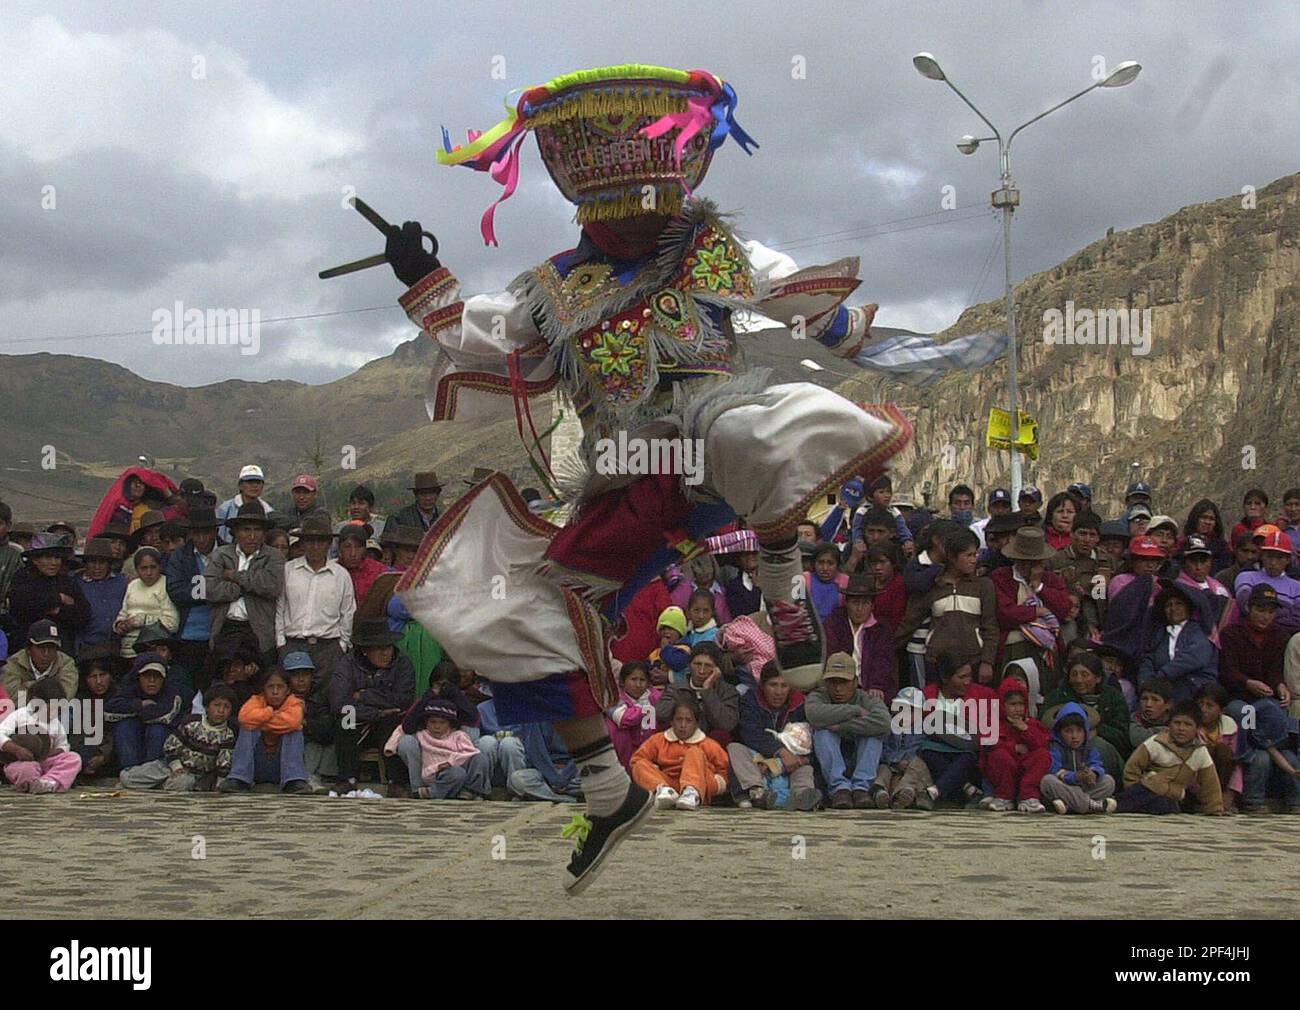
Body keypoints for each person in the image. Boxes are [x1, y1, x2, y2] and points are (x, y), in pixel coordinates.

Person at [392, 63, 922, 892]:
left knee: (747, 423)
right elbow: (480, 334)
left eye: (652, 201)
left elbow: (796, 298)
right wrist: (419, 279)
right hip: (626, 480)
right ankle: (606, 787)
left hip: (709, 449)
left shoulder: (713, 248)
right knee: (506, 608)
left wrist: (887, 344)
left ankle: (781, 583)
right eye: (622, 207)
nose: (643, 218)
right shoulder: (557, 288)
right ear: (589, 204)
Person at [896, 527, 998, 685]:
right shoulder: (933, 584)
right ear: (952, 556)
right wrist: (889, 646)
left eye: (975, 554)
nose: (974, 560)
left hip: (973, 662)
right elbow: (912, 619)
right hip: (937, 663)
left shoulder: (983, 586)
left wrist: (987, 662)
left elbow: (990, 626)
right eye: (968, 555)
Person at [328, 619, 415, 795]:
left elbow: (402, 700)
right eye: (379, 648)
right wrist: (375, 713)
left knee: (394, 721)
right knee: (346, 717)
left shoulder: (402, 663)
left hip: (389, 721)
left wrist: (364, 695)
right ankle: (347, 778)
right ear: (365, 650)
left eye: (388, 647)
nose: (385, 653)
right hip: (361, 720)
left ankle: (397, 781)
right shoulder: (347, 664)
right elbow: (339, 702)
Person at [276, 515, 355, 689]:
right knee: (291, 696)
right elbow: (279, 608)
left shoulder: (341, 575)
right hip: (293, 644)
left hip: (328, 647)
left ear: (328, 544)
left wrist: (341, 645)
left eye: (321, 541)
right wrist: (281, 643)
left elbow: (347, 613)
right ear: (302, 543)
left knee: (324, 698)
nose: (315, 546)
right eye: (310, 541)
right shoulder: (288, 570)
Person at [990, 527, 1072, 693]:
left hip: (1045, 647)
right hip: (1013, 646)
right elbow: (1004, 613)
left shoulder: (1052, 580)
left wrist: (1039, 586)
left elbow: (1064, 609)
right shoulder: (1001, 577)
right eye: (1025, 562)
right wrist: (1036, 612)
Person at [806, 651, 891, 808]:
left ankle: (861, 788)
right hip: (831, 763)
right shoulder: (819, 695)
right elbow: (814, 714)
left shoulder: (866, 698)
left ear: (855, 681)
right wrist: (855, 711)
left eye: (844, 682)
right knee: (823, 732)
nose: (838, 688)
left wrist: (843, 726)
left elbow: (884, 723)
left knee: (873, 734)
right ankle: (840, 789)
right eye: (833, 682)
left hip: (860, 760)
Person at [205, 502, 285, 668]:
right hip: (225, 629)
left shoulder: (273, 556)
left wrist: (234, 576)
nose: (252, 536)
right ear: (235, 532)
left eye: (257, 530)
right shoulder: (220, 555)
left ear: (264, 533)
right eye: (246, 530)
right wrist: (248, 586)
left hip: (258, 631)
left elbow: (272, 586)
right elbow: (209, 589)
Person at [727, 662, 815, 810]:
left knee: (805, 768)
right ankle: (758, 793)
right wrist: (780, 752)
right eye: (773, 685)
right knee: (735, 748)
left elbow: (805, 738)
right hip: (760, 759)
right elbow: (750, 734)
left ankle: (803, 796)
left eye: (784, 686)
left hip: (792, 761)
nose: (778, 692)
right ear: (762, 685)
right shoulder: (750, 701)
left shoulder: (799, 704)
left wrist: (796, 759)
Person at [120, 683, 237, 791]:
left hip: (193, 775)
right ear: (207, 707)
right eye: (216, 705)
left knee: (183, 784)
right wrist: (176, 767)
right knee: (129, 779)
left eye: (226, 707)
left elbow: (223, 763)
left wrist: (219, 784)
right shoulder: (192, 722)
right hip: (170, 764)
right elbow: (171, 745)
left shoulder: (227, 735)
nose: (221, 711)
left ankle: (161, 785)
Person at [1117, 700, 1224, 814]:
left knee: (1167, 805)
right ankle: (1114, 804)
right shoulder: (1155, 742)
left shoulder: (1200, 752)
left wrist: (1215, 809)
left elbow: (1210, 785)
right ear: (1169, 724)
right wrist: (1134, 788)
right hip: (1144, 790)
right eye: (1177, 723)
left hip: (1172, 797)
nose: (1181, 728)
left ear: (1197, 728)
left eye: (1187, 724)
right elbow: (1132, 769)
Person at [630, 695, 730, 810]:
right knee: (639, 765)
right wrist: (654, 771)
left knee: (694, 752)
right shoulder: (658, 740)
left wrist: (714, 785)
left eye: (688, 721)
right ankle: (665, 792)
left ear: (696, 724)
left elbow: (725, 770)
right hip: (669, 783)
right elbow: (637, 759)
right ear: (672, 722)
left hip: (699, 784)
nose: (683, 725)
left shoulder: (707, 744)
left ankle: (691, 794)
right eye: (679, 720)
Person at [919, 654, 994, 806]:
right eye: (961, 677)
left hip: (971, 755)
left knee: (967, 757)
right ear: (945, 678)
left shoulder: (984, 696)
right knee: (927, 750)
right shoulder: (927, 696)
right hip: (938, 754)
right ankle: (966, 789)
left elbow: (990, 731)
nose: (967, 682)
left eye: (969, 676)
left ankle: (934, 792)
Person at [219, 668, 310, 793]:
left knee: (295, 730)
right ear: (263, 690)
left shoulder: (294, 703)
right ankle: (239, 779)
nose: (275, 691)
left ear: (288, 690)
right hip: (256, 764)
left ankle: (294, 781)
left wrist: (261, 720)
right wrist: (269, 712)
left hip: (282, 766)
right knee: (248, 728)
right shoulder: (255, 700)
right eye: (270, 687)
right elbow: (244, 718)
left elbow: (292, 722)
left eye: (280, 687)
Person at [1043, 650, 1131, 778]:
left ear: (1098, 678)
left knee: (1097, 745)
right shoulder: (1057, 697)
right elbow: (1045, 727)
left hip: (1104, 755)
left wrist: (1098, 730)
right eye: (1074, 674)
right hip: (1064, 753)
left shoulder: (1113, 697)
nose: (1078, 680)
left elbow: (1123, 737)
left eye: (1085, 675)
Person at [386, 696, 489, 799]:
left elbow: (470, 753)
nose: (437, 726)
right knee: (456, 773)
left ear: (449, 724)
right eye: (433, 722)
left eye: (442, 723)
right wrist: (390, 747)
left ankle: (468, 791)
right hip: (435, 772)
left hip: (456, 766)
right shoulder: (422, 735)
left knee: (480, 759)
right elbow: (401, 730)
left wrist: (451, 762)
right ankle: (430, 793)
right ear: (426, 722)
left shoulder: (458, 736)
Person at [165, 505, 219, 691]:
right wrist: (213, 589)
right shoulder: (181, 557)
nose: (201, 539)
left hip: (219, 633)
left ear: (215, 531)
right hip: (188, 635)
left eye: (206, 533)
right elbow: (176, 591)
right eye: (197, 534)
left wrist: (196, 588)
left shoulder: (229, 554)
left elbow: (235, 589)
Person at [8, 532, 90, 653]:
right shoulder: (22, 577)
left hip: (62, 647)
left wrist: (57, 610)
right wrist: (58, 598)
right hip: (25, 645)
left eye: (57, 558)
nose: (54, 563)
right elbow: (20, 605)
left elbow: (84, 614)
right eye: (48, 558)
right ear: (35, 559)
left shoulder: (66, 581)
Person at [1137, 582, 1218, 702]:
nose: (1173, 609)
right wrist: (1146, 682)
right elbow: (1148, 658)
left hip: (1195, 686)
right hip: (1163, 687)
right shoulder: (1160, 634)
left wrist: (1162, 675)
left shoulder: (1198, 631)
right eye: (1168, 605)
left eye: (1179, 604)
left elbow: (1195, 657)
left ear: (1188, 607)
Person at [0, 677, 82, 794]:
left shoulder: (56, 723)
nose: (54, 713)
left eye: (58, 710)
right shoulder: (20, 715)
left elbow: (63, 745)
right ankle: (30, 783)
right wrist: (17, 750)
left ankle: (48, 782)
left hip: (46, 762)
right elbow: (1, 734)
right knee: (26, 769)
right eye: (51, 708)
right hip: (21, 761)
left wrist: (49, 753)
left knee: (73, 758)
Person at [981, 676, 1051, 812]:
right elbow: (988, 745)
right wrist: (1014, 748)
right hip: (1002, 773)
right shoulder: (992, 722)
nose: (1018, 709)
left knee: (1043, 755)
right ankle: (1004, 797)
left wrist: (1026, 729)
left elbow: (1043, 744)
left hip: (1025, 768)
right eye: (1013, 705)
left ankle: (1028, 797)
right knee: (999, 755)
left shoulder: (1031, 723)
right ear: (1002, 705)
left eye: (1021, 704)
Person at [105, 653, 183, 770]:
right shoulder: (129, 689)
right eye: (147, 676)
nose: (152, 681)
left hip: (161, 752)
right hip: (133, 745)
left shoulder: (172, 692)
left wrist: (135, 711)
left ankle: (151, 773)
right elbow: (109, 709)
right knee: (125, 726)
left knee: (157, 729)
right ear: (139, 677)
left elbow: (167, 713)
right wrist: (139, 705)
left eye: (157, 676)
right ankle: (130, 771)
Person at [1219, 583, 1292, 710]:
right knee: (1240, 712)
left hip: (1268, 698)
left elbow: (1275, 671)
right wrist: (1248, 683)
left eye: (1271, 612)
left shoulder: (1281, 636)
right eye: (1261, 610)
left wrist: (1280, 685)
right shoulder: (1231, 633)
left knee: (1274, 712)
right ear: (1248, 608)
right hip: (1236, 697)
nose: (1266, 617)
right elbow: (1227, 671)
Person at [824, 573, 896, 697]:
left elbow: (883, 660)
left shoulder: (881, 629)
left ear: (872, 606)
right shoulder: (834, 623)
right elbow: (831, 655)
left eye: (865, 603)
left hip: (869, 688)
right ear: (846, 603)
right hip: (839, 685)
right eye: (855, 602)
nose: (859, 609)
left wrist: (876, 685)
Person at [654, 642, 740, 743]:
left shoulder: (727, 691)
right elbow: (661, 713)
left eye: (708, 665)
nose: (702, 671)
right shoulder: (676, 687)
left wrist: (707, 691)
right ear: (689, 665)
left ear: (717, 669)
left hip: (709, 747)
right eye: (697, 664)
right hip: (678, 742)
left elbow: (727, 724)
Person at [1038, 703, 1116, 814]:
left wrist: (1093, 773)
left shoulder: (1089, 747)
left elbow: (1097, 763)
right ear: (1059, 733)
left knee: (1108, 781)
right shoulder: (1055, 747)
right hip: (1064, 785)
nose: (1074, 736)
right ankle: (1090, 804)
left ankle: (1070, 805)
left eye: (1079, 731)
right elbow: (1055, 770)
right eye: (1068, 731)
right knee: (1047, 781)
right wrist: (1075, 776)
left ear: (1085, 732)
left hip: (1084, 786)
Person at [1047, 511, 1111, 637]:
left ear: (1098, 538)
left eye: (1092, 535)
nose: (1087, 540)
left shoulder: (1107, 561)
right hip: (1068, 617)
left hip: (1101, 616)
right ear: (1071, 534)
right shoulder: (1056, 560)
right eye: (1082, 534)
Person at [114, 547, 180, 660]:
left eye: (153, 567)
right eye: (143, 568)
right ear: (136, 569)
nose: (149, 573)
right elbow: (123, 613)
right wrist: (120, 625)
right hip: (128, 649)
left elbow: (172, 624)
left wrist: (142, 620)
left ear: (160, 567)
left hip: (153, 649)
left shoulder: (165, 585)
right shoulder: (132, 585)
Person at [875, 685, 934, 809]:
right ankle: (879, 791)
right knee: (883, 769)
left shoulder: (925, 730)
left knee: (918, 766)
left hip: (911, 767)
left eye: (911, 710)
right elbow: (883, 749)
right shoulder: (890, 727)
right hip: (892, 765)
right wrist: (895, 762)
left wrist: (908, 761)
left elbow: (925, 750)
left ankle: (904, 793)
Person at [1234, 529, 1300, 634]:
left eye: (1280, 558)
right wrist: (1284, 610)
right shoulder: (1246, 577)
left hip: (1284, 637)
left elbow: (1296, 621)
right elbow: (1245, 605)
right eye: (1269, 556)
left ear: (1288, 560)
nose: (1273, 562)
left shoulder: (1297, 587)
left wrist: (1262, 608)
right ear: (1262, 556)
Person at [73, 538, 127, 657]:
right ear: (85, 563)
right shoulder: (75, 583)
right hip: (86, 648)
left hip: (117, 647)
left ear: (109, 564)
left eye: (102, 562)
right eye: (92, 562)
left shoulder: (122, 582)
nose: (97, 567)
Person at [2, 619, 78, 700]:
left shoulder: (67, 663)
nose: (46, 653)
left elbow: (64, 698)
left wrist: (27, 686)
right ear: (28, 649)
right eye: (41, 647)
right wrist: (51, 688)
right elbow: (14, 698)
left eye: (51, 647)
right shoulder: (13, 663)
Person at [605, 661, 662, 769]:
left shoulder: (655, 697)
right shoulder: (614, 698)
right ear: (622, 682)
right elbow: (624, 718)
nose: (638, 684)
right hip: (624, 752)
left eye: (642, 680)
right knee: (616, 727)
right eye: (633, 679)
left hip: (650, 748)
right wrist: (648, 710)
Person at [509, 721, 583, 803]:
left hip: (576, 772)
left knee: (594, 780)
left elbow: (584, 752)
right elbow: (536, 754)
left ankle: (545, 796)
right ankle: (566, 799)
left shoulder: (582, 716)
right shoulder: (539, 718)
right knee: (517, 779)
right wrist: (553, 777)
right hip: (546, 775)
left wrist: (564, 777)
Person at [1195, 682, 1241, 813]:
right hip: (1197, 782)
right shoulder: (1191, 725)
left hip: (1222, 780)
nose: (1203, 709)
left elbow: (1236, 764)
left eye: (1209, 705)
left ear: (1222, 710)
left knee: (1223, 751)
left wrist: (1230, 793)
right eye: (1200, 703)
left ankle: (1222, 797)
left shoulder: (1230, 727)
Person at [71, 652, 116, 779]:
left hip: (109, 754)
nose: (99, 681)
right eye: (93, 677)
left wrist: (103, 756)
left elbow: (115, 736)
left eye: (103, 675)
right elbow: (77, 737)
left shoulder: (120, 699)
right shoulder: (80, 701)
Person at [216, 464, 274, 544]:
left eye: (258, 482)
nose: (254, 486)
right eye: (250, 482)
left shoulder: (268, 510)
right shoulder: (225, 509)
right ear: (240, 486)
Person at [336, 523, 389, 609]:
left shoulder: (380, 572)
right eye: (347, 547)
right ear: (339, 548)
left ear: (365, 549)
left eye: (358, 547)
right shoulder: (332, 571)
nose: (353, 553)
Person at [1183, 499, 1232, 574]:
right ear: (1195, 519)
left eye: (1211, 519)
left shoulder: (1222, 547)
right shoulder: (1183, 543)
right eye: (1204, 517)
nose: (1207, 522)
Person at [1130, 675, 1174, 749]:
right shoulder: (1135, 719)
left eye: (1155, 700)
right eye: (1144, 699)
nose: (1148, 704)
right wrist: (1166, 732)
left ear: (1168, 705)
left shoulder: (1176, 721)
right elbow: (1138, 739)